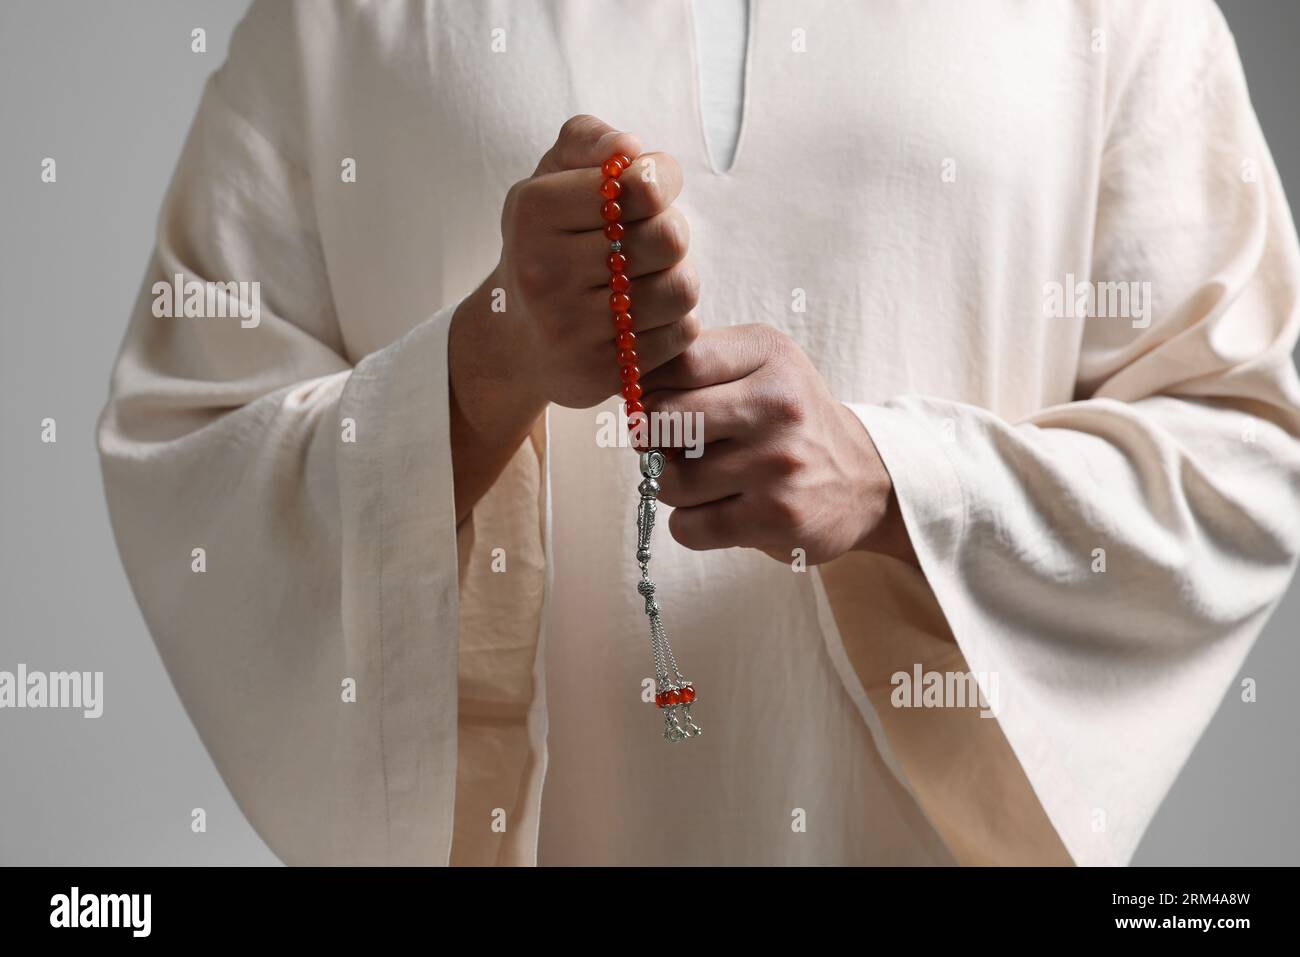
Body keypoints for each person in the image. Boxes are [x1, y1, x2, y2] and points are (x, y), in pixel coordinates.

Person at [97, 0, 1300, 865]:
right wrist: (483, 367)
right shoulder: (323, 27)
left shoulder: (1124, 19)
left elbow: (1250, 454)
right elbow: (192, 458)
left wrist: (898, 487)